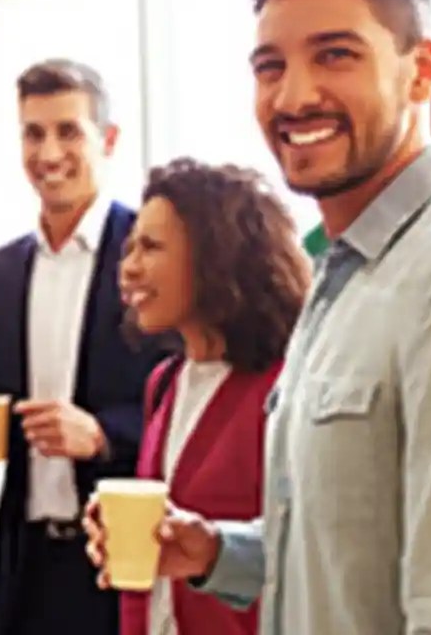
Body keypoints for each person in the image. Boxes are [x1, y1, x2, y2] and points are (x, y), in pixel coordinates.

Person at [86, 0, 431, 635]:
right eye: (270, 66)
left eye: (336, 55)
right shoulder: (344, 275)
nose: (293, 96)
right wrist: (212, 550)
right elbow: (341, 557)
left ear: (421, 72)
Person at [0, 58, 166, 635]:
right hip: (25, 563)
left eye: (68, 131)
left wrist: (100, 435)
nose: (48, 154)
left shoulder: (157, 255)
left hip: (123, 558)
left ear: (108, 139)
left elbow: (190, 411)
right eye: (33, 133)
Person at [115, 158, 310, 635]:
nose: (129, 268)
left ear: (214, 256)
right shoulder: (164, 382)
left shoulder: (285, 388)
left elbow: (311, 558)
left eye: (151, 247)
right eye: (129, 248)